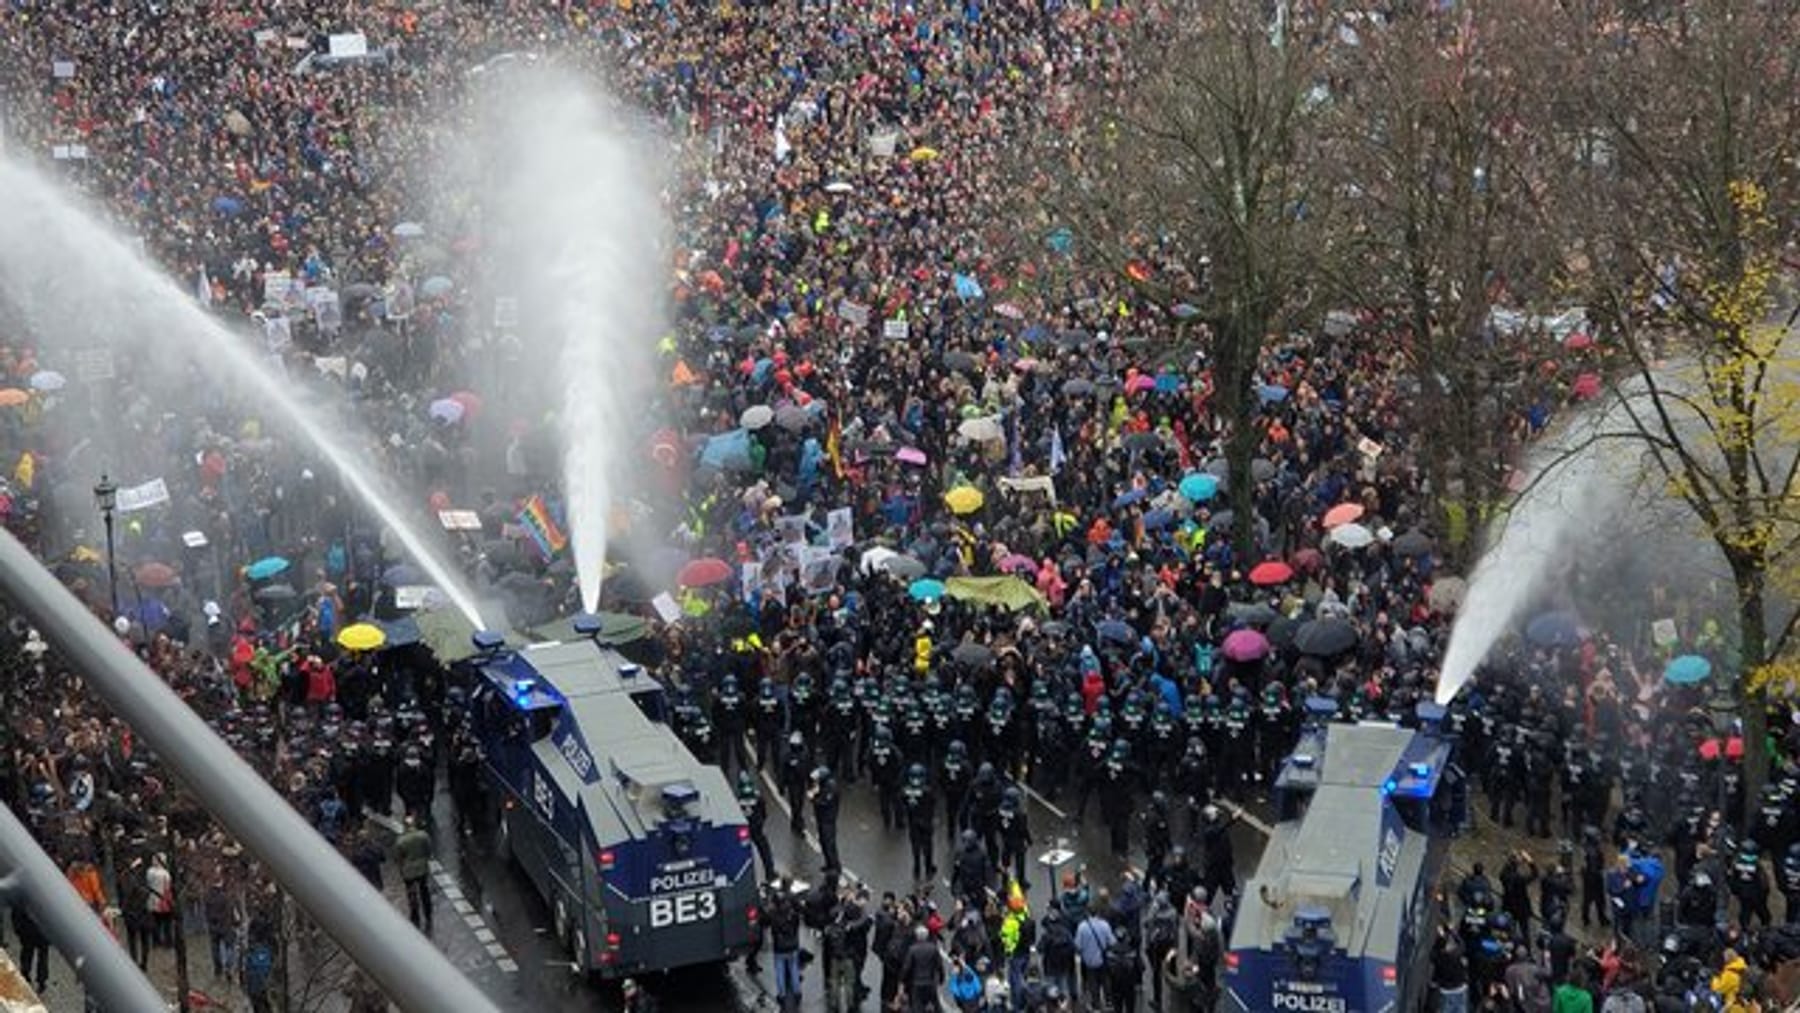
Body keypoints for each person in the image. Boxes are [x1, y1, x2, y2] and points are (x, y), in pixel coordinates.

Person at [393, 815, 433, 932]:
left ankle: (415, 914)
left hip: (408, 871)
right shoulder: (423, 835)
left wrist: (401, 869)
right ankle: (428, 912)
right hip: (422, 868)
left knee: (411, 892)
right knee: (424, 890)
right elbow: (428, 850)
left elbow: (398, 858)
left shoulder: (400, 841)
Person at [1075, 901, 1118, 1011]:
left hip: (1089, 961)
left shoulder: (1082, 927)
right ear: (1098, 912)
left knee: (1092, 983)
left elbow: (1078, 946)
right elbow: (1112, 942)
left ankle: (1096, 1005)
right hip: (1103, 959)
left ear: (1087, 913)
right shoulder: (1105, 925)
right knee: (1105, 980)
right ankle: (1109, 1002)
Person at [900, 923, 944, 1013]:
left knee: (917, 1006)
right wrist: (941, 978)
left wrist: (902, 980)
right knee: (934, 1005)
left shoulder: (912, 949)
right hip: (930, 981)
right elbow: (939, 965)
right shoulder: (933, 948)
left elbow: (907, 967)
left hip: (917, 982)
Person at [14, 904, 47, 996]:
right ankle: (41, 981)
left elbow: (17, 911)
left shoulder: (28, 894)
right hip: (42, 932)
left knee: (27, 953)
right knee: (42, 957)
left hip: (28, 930)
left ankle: (25, 974)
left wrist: (18, 929)